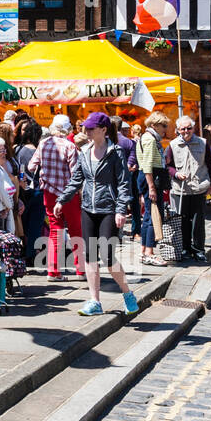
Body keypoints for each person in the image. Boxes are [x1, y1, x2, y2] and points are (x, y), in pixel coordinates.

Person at [57, 112, 139, 316]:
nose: (87, 132)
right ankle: (94, 301)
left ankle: (127, 293)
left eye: (91, 128)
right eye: (86, 128)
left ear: (103, 130)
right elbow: (76, 179)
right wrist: (62, 199)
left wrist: (121, 209)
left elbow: (123, 183)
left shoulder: (116, 152)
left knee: (107, 255)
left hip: (108, 209)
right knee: (89, 255)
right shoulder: (84, 151)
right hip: (88, 208)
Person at [28, 115, 81, 280]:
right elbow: (76, 175)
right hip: (68, 194)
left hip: (49, 193)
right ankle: (81, 270)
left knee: (55, 230)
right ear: (67, 129)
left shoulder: (43, 144)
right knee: (75, 231)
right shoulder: (70, 146)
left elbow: (31, 166)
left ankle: (53, 271)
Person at [167, 116, 211, 262]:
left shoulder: (202, 143)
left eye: (189, 128)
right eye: (183, 129)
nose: (186, 131)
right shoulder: (172, 145)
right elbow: (167, 166)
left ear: (193, 128)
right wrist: (176, 173)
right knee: (183, 221)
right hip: (181, 189)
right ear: (178, 130)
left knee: (198, 221)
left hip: (199, 187)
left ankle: (199, 249)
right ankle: (185, 248)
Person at [136, 113, 170, 265]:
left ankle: (144, 251)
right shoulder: (150, 139)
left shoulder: (148, 137)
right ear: (154, 125)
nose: (166, 129)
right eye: (164, 126)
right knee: (153, 215)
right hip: (150, 177)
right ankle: (149, 252)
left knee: (149, 216)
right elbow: (148, 164)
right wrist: (151, 187)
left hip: (148, 176)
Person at [15, 118, 44, 260]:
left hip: (23, 191)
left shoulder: (18, 150)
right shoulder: (40, 150)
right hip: (39, 190)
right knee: (35, 225)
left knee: (24, 223)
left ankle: (26, 251)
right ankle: (32, 254)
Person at [117, 120, 139, 239]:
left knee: (126, 202)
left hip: (122, 175)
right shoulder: (128, 142)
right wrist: (131, 165)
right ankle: (134, 231)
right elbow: (133, 156)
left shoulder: (113, 140)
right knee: (132, 202)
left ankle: (121, 232)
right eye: (125, 130)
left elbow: (133, 156)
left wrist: (131, 164)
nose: (126, 132)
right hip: (128, 175)